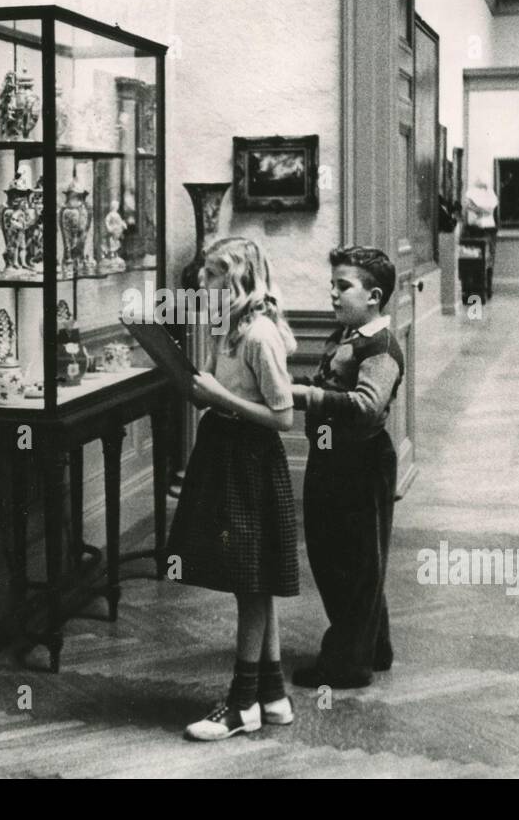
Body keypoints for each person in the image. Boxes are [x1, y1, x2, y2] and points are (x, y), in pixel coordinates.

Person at [166, 236, 300, 741]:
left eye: (212, 275)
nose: (201, 282)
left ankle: (242, 703)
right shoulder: (230, 328)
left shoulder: (259, 335)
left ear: (238, 280)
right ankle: (272, 696)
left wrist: (221, 396)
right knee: (255, 579)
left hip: (249, 461)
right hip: (226, 454)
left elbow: (283, 417)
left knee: (251, 583)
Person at [291, 245, 404, 690]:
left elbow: (365, 406)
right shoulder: (350, 335)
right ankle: (374, 646)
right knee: (348, 560)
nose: (333, 294)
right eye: (332, 285)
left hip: (359, 464)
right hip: (334, 459)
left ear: (374, 295)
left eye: (343, 286)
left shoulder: (381, 346)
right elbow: (333, 384)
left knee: (350, 565)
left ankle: (346, 664)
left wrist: (305, 397)